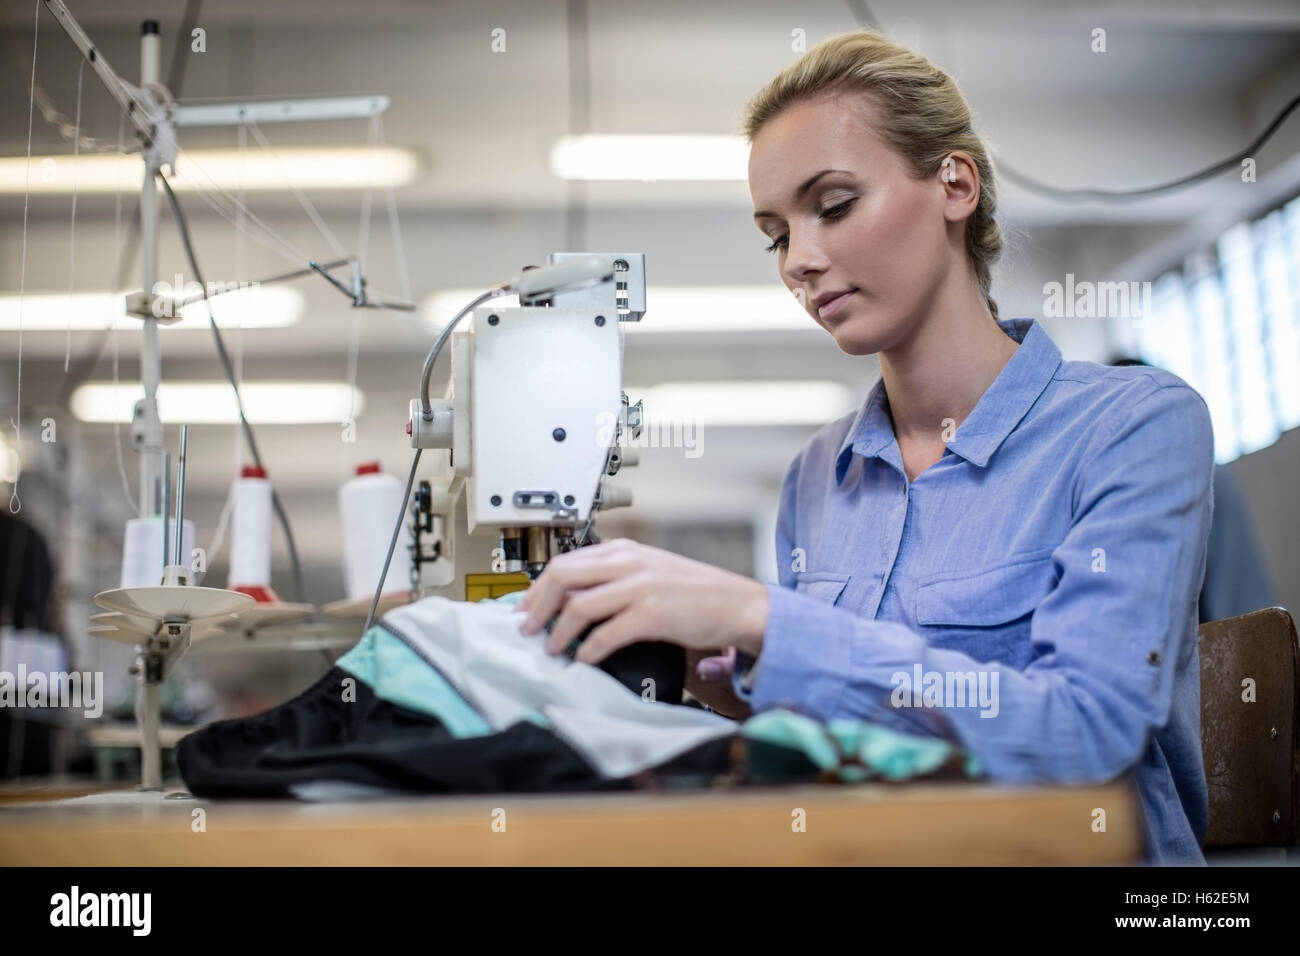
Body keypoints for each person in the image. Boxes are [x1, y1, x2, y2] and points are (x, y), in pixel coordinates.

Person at [519, 31, 1215, 865]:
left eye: (836, 204)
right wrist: (730, 678)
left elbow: (1083, 733)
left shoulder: (1131, 429)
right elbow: (857, 730)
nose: (801, 263)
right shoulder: (820, 475)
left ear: (955, 184)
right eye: (777, 235)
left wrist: (762, 618)